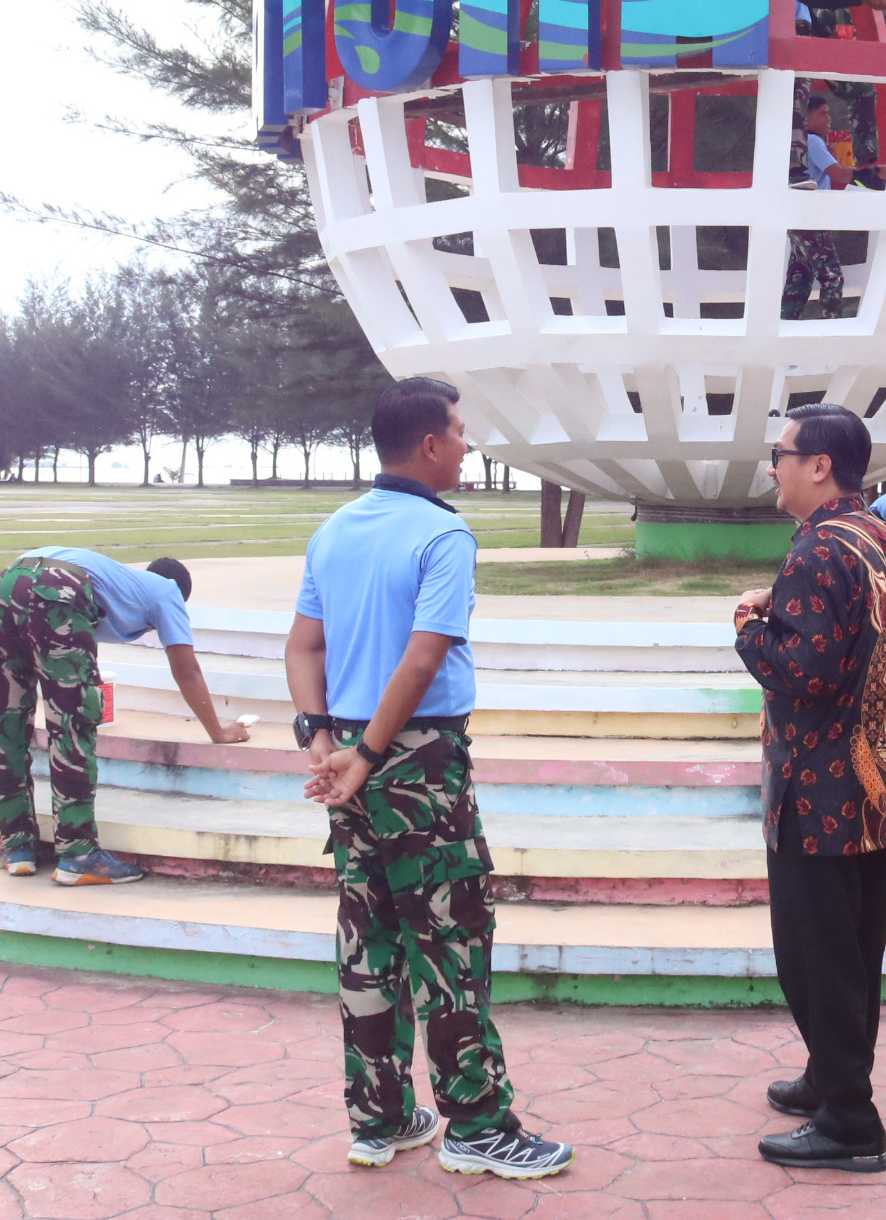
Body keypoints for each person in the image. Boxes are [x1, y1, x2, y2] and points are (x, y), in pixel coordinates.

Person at [292, 377, 572, 1180]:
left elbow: (302, 648)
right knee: (450, 937)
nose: (466, 444)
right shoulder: (443, 537)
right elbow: (424, 654)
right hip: (412, 759)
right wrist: (375, 752)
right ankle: (478, 1124)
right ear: (428, 445)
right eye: (459, 430)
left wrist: (324, 739)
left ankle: (378, 1118)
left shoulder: (336, 530)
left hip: (348, 750)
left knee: (368, 933)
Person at [733, 402, 886, 1173]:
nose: (773, 466)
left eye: (780, 453)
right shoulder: (883, 539)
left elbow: (803, 672)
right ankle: (827, 1079)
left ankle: (851, 1123)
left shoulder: (821, 549)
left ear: (819, 465)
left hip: (821, 795)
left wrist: (750, 626)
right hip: (881, 788)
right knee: (853, 953)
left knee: (816, 960)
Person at [0, 547, 252, 887]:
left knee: (6, 718)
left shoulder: (122, 582)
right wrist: (219, 732)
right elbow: (186, 670)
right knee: (72, 722)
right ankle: (78, 856)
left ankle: (18, 847)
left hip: (7, 581)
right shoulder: (168, 592)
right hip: (58, 588)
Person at [783, 97, 851, 320]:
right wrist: (872, 173)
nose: (829, 119)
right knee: (832, 276)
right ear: (807, 118)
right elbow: (838, 174)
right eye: (823, 114)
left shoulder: (804, 143)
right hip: (811, 219)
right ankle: (831, 329)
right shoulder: (812, 141)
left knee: (800, 277)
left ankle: (786, 324)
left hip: (797, 220)